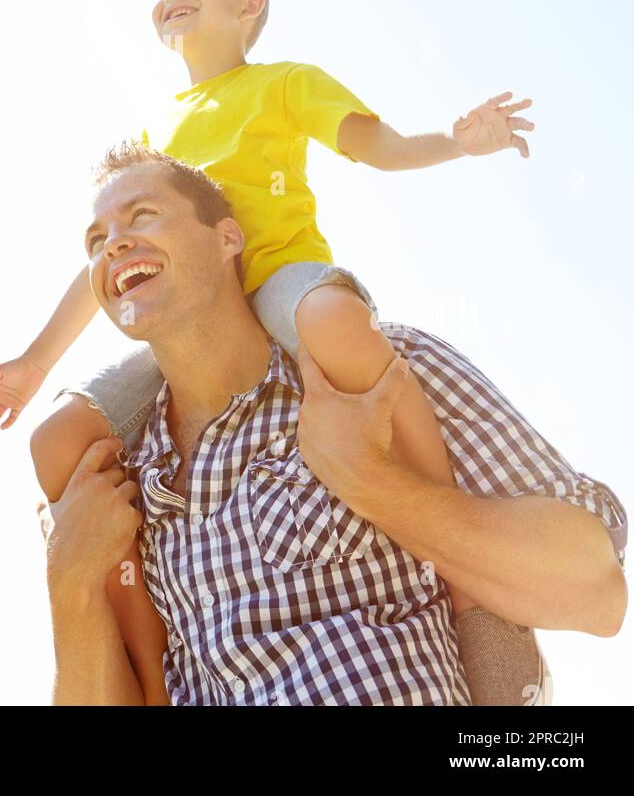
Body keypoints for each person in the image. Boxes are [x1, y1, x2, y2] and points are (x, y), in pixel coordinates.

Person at [0, 0, 540, 701]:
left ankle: (467, 572)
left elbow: (377, 147)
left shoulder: (284, 84)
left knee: (339, 325)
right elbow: (111, 261)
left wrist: (457, 144)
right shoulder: (151, 140)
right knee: (59, 441)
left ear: (249, 6)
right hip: (194, 313)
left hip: (274, 284)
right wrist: (35, 364)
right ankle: (150, 662)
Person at [37, 146, 627, 705]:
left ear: (227, 238)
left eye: (142, 214)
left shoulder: (381, 371)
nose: (114, 244)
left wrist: (371, 480)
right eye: (96, 240)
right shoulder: (115, 482)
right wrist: (69, 584)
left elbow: (596, 595)